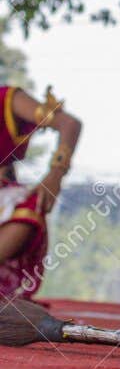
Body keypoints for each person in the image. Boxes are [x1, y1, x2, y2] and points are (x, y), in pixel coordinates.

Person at [0, 84, 82, 300]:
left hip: (5, 204)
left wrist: (55, 173)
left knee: (32, 206)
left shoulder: (7, 99)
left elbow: (69, 124)